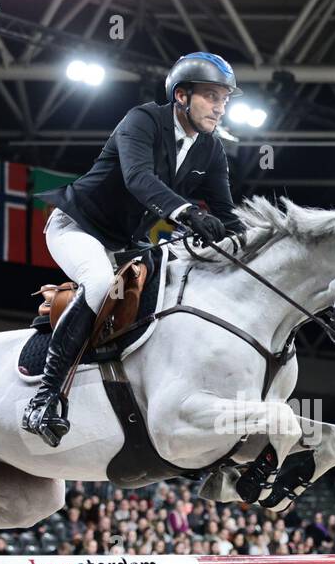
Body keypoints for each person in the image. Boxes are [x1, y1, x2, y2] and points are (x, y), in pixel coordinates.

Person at [23, 51, 245, 448]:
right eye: (211, 96)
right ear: (181, 96)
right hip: (78, 226)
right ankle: (45, 398)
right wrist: (190, 214)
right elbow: (138, 179)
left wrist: (249, 244)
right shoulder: (142, 120)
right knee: (98, 283)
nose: (220, 107)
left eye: (224, 99)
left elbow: (228, 215)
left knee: (176, 285)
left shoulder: (210, 150)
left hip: (126, 242)